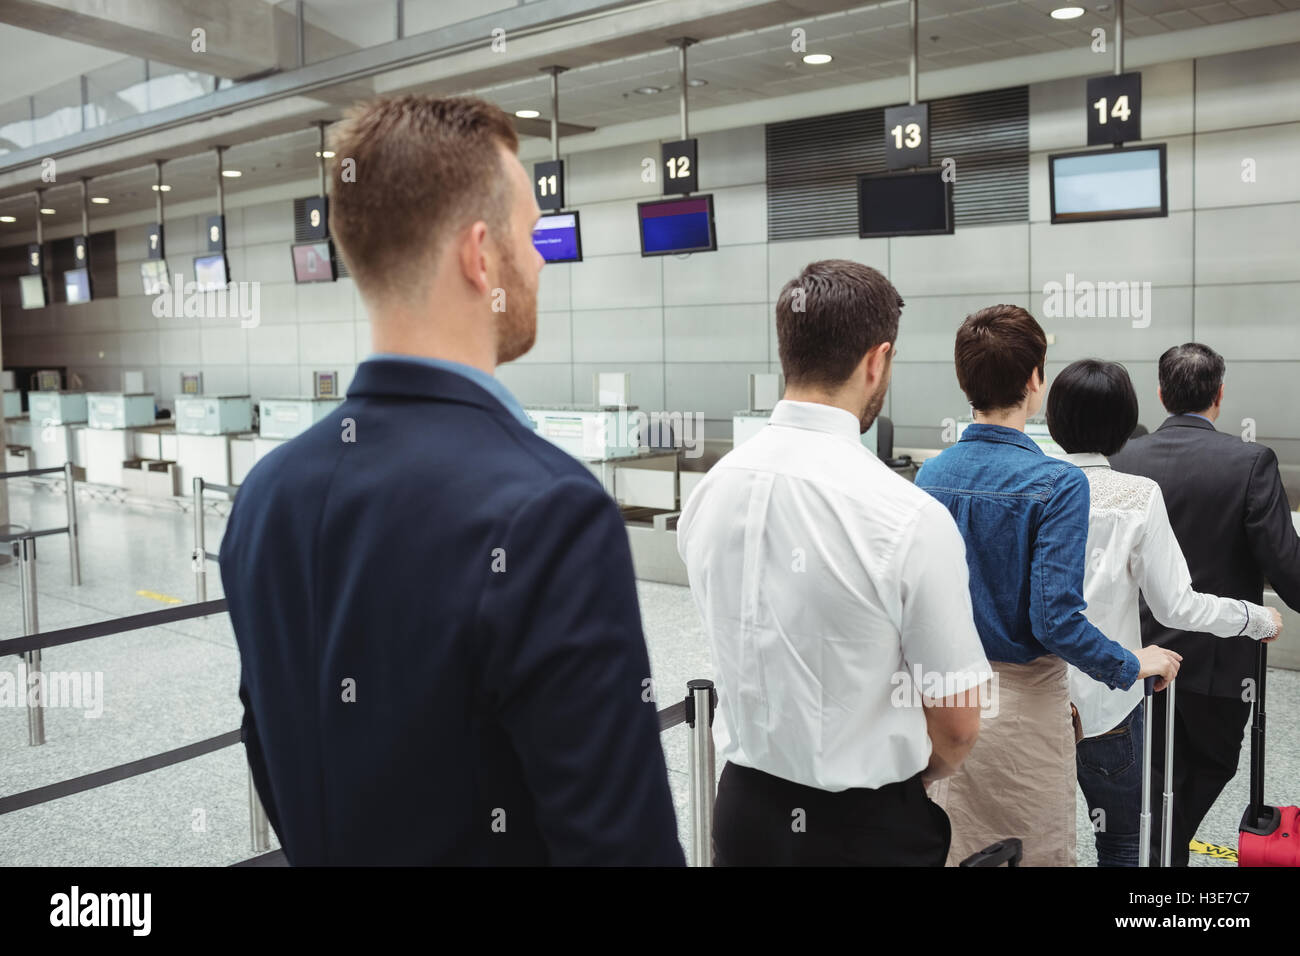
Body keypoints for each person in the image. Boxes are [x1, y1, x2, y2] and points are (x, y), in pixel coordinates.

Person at [219, 95, 683, 866]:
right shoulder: (549, 511)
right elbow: (618, 845)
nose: (538, 261)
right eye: (531, 236)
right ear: (481, 256)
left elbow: (270, 751)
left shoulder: (267, 495)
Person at [678, 260, 992, 866]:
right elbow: (958, 727)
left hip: (742, 813)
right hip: (863, 828)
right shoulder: (908, 516)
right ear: (877, 361)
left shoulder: (711, 492)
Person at [915, 305, 1181, 867]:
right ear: (1036, 380)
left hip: (944, 698)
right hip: (1024, 713)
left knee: (960, 848)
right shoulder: (1056, 483)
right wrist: (1132, 663)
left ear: (965, 381)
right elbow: (1054, 619)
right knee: (1030, 851)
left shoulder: (931, 474)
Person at [1045, 359, 1280, 867]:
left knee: (1034, 833)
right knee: (1125, 840)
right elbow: (1177, 604)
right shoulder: (1135, 493)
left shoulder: (1034, 485)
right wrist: (1255, 619)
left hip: (1036, 698)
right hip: (1109, 697)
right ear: (1127, 417)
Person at [1111, 342, 1300, 866]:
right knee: (1211, 768)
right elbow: (1287, 566)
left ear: (1161, 394)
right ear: (1219, 395)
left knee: (1151, 778)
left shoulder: (1123, 458)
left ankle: (1156, 852)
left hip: (1138, 659)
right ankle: (1162, 855)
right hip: (1220, 666)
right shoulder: (1250, 461)